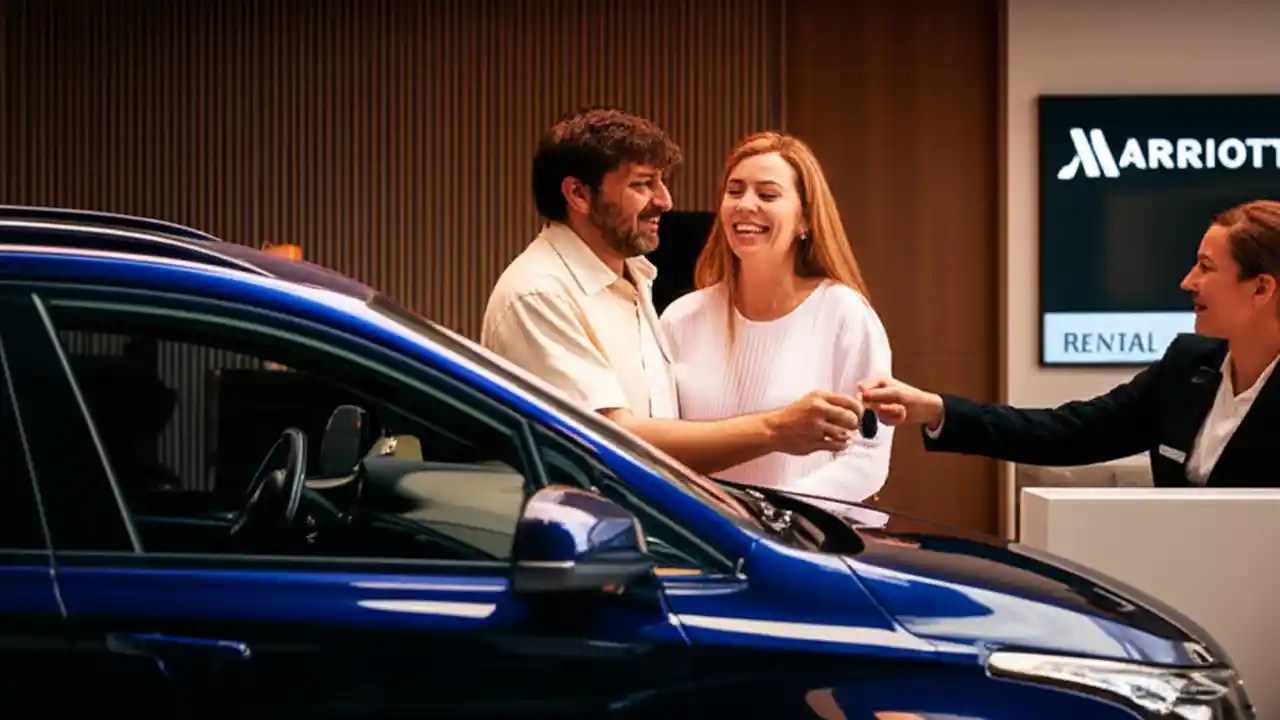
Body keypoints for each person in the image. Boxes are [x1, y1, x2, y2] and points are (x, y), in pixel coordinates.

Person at [481, 107, 866, 476]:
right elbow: (608, 441)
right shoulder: (539, 294)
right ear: (578, 195)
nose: (665, 201)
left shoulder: (634, 277)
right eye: (642, 184)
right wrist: (775, 429)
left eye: (661, 182)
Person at [859, 198, 1280, 488]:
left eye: (1206, 267)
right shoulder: (1187, 366)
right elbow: (1069, 432)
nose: (1188, 281)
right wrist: (937, 410)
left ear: (1261, 288)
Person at [659, 131, 895, 506]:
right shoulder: (681, 318)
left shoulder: (844, 313)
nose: (744, 205)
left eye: (767, 195)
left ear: (805, 219)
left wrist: (772, 516)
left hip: (802, 533)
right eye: (734, 191)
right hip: (704, 529)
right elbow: (661, 448)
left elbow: (866, 457)